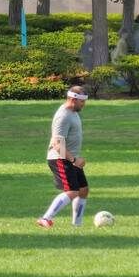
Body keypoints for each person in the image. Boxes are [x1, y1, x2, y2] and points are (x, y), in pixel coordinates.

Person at [37, 86, 90, 228]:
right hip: (60, 157)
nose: (83, 104)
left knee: (83, 190)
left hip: (70, 157)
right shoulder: (63, 116)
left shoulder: (73, 112)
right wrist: (74, 160)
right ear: (73, 99)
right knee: (72, 191)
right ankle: (45, 218)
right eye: (81, 102)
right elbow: (57, 144)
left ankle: (77, 225)